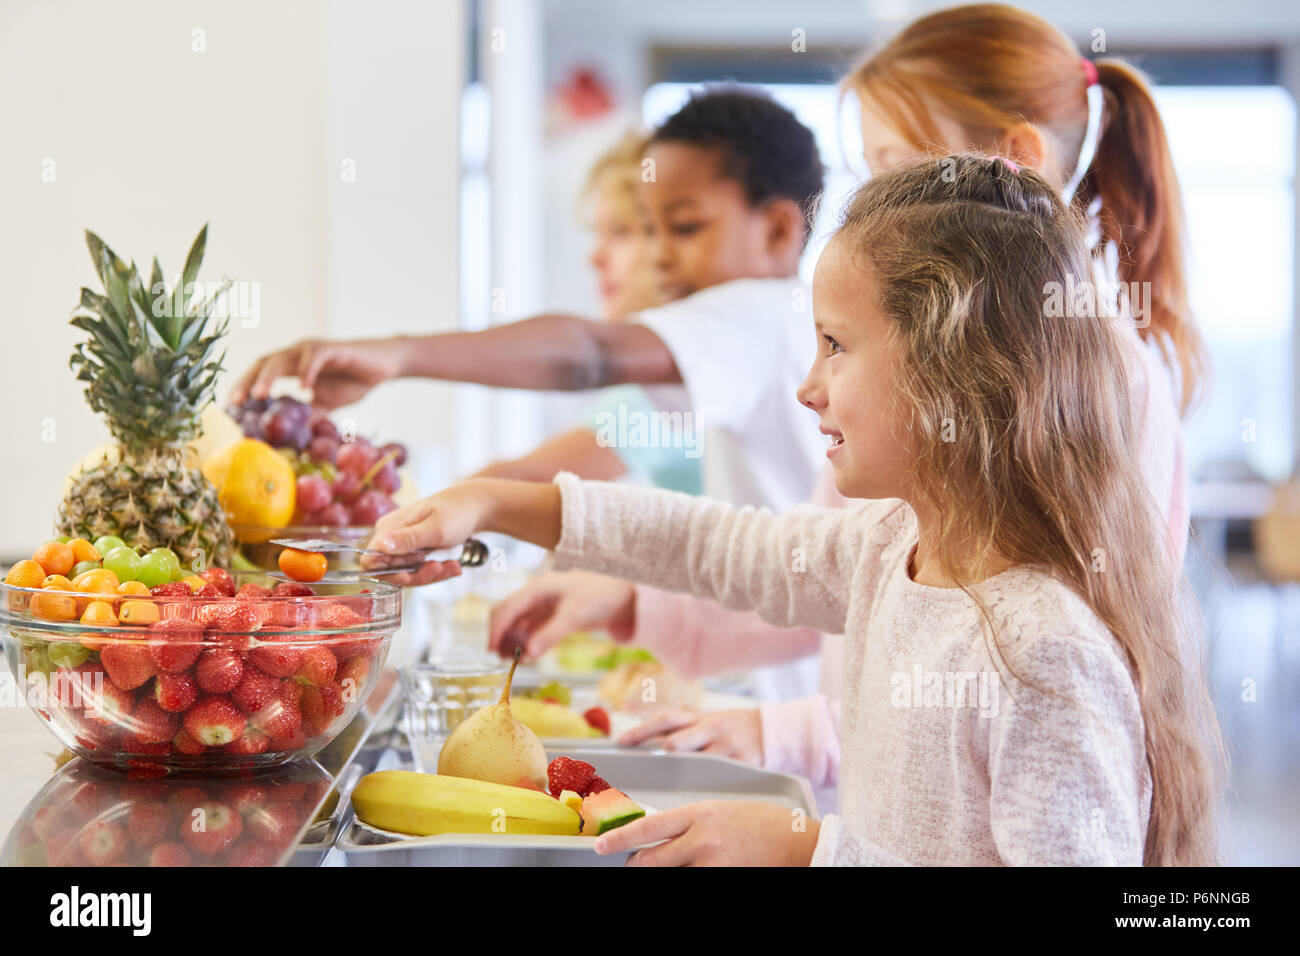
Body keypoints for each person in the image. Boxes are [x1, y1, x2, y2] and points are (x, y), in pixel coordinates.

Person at [369, 155, 1223, 866]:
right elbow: (719, 546)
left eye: (837, 346)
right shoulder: (894, 547)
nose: (808, 387)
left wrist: (805, 846)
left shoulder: (1045, 650)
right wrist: (492, 502)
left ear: (957, 374)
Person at [487, 2, 1209, 787]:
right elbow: (820, 568)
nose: (876, 207)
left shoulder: (1102, 381)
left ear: (1015, 161)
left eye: (899, 169)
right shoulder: (917, 375)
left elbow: (1031, 692)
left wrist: (788, 737)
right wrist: (631, 599)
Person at [230, 88, 825, 515]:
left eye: (687, 228)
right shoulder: (769, 324)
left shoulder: (758, 313)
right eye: (648, 230)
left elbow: (587, 354)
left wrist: (401, 353)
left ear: (777, 231)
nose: (661, 256)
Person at [471, 129, 700, 494]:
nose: (595, 257)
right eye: (598, 233)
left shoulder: (669, 382)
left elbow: (524, 481)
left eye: (621, 232)